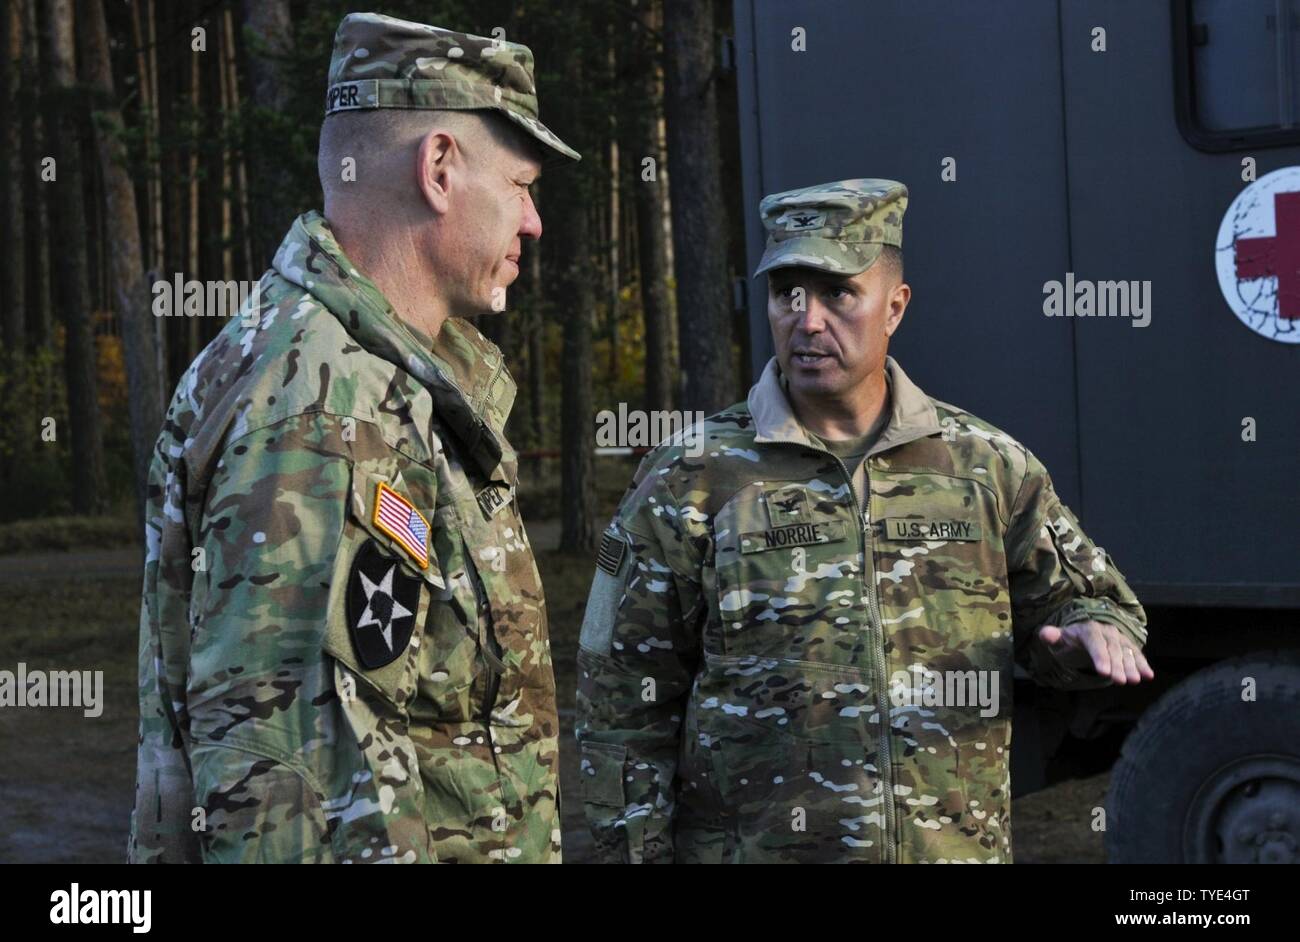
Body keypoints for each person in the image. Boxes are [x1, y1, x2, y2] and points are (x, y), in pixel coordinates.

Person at [574, 178, 1153, 863]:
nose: (806, 319)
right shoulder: (690, 478)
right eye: (786, 292)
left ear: (895, 307)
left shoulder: (985, 467)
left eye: (837, 293)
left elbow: (1094, 604)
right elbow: (620, 707)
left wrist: (1086, 635)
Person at [128, 12, 579, 864]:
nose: (533, 222)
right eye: (521, 186)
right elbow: (292, 801)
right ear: (439, 169)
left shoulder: (377, 379)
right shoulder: (324, 409)